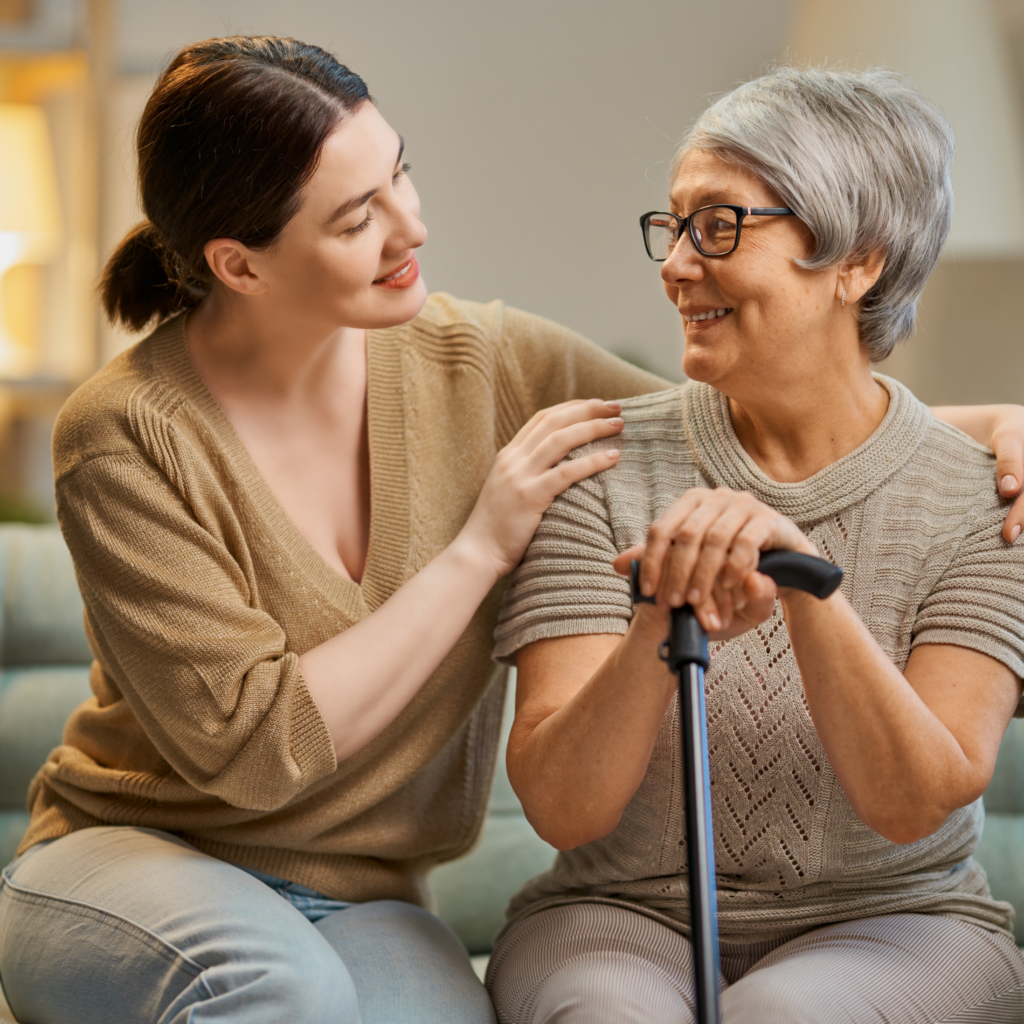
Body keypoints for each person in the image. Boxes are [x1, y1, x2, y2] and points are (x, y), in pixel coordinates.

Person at [0, 39, 1018, 1024]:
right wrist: (481, 545)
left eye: (403, 176)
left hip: (366, 895)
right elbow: (262, 755)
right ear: (242, 264)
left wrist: (996, 432)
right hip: (143, 856)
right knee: (278, 995)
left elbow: (751, 422)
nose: (411, 231)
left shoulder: (484, 362)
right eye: (358, 217)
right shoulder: (125, 433)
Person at [488, 65, 1024, 1024]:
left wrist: (807, 583)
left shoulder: (988, 497)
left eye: (721, 226)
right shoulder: (598, 467)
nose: (677, 263)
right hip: (620, 916)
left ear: (858, 259)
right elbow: (565, 810)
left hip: (897, 920)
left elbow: (914, 804)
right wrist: (663, 609)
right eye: (675, 225)